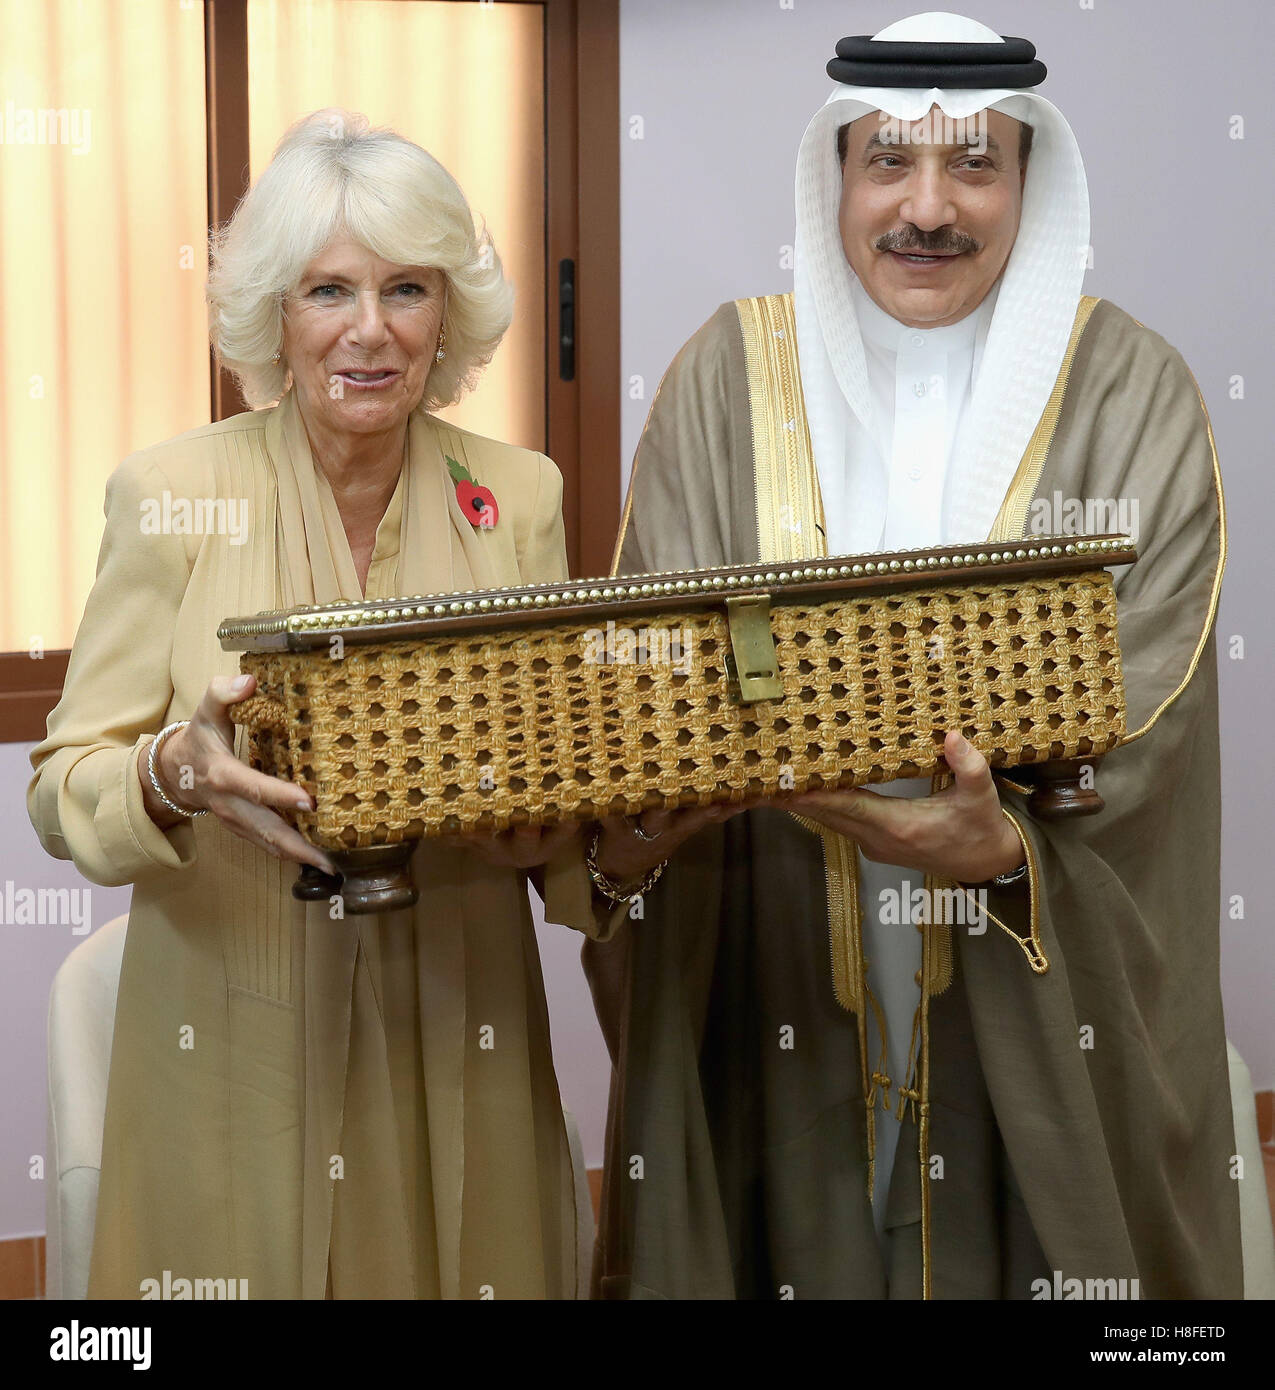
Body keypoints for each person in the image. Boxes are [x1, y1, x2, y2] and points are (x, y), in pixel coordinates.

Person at [583, 13, 1239, 1299]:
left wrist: (1006, 857)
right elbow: (651, 675)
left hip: (1021, 990)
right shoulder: (728, 381)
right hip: (774, 951)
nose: (926, 208)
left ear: (1029, 182)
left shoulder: (1131, 392)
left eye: (973, 165)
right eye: (888, 161)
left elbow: (1145, 704)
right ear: (836, 176)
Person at [28, 109, 613, 1299]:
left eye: (406, 289)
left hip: (464, 1011)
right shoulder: (171, 495)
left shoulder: (522, 495)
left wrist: (556, 831)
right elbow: (64, 783)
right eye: (326, 291)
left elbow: (569, 764)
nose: (368, 331)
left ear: (447, 312)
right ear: (273, 317)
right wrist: (169, 774)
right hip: (232, 1024)